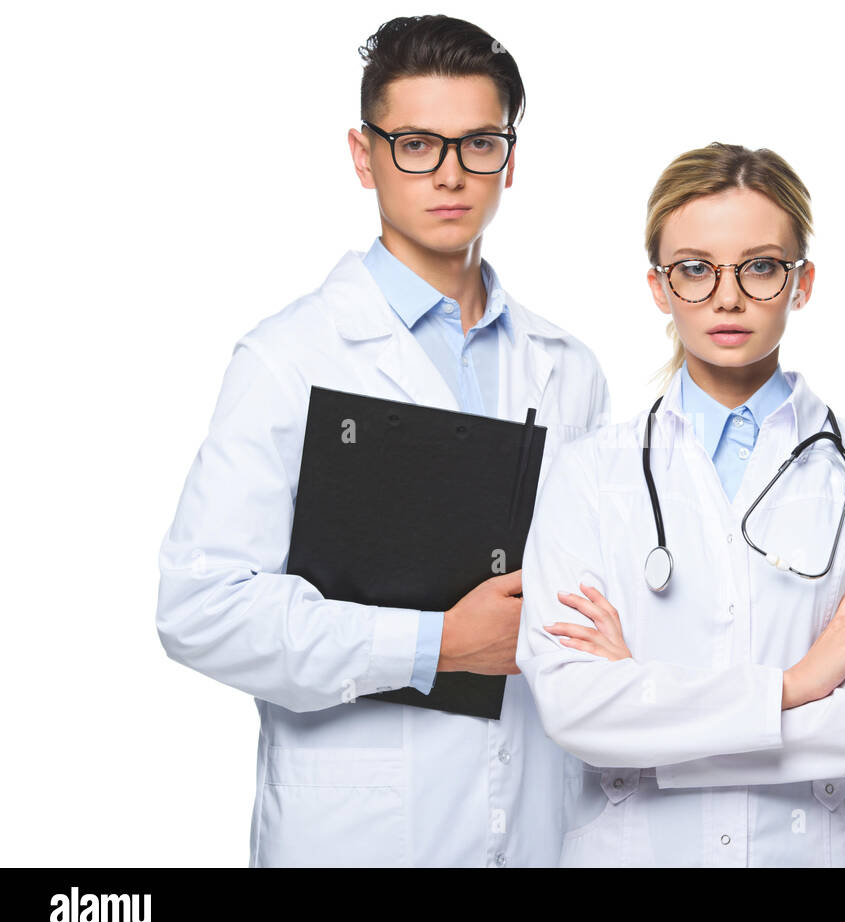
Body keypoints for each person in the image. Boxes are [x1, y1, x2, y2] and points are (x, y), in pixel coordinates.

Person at [155, 15, 609, 867]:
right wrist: (436, 644)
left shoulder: (569, 369)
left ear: (510, 159)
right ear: (364, 156)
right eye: (415, 144)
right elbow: (199, 608)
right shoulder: (290, 358)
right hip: (358, 834)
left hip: (541, 824)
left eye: (478, 143)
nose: (449, 173)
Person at [517, 142, 845, 867]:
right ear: (658, 286)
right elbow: (574, 707)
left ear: (801, 282)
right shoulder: (587, 476)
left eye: (761, 265)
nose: (728, 295)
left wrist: (649, 720)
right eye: (695, 268)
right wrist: (796, 686)